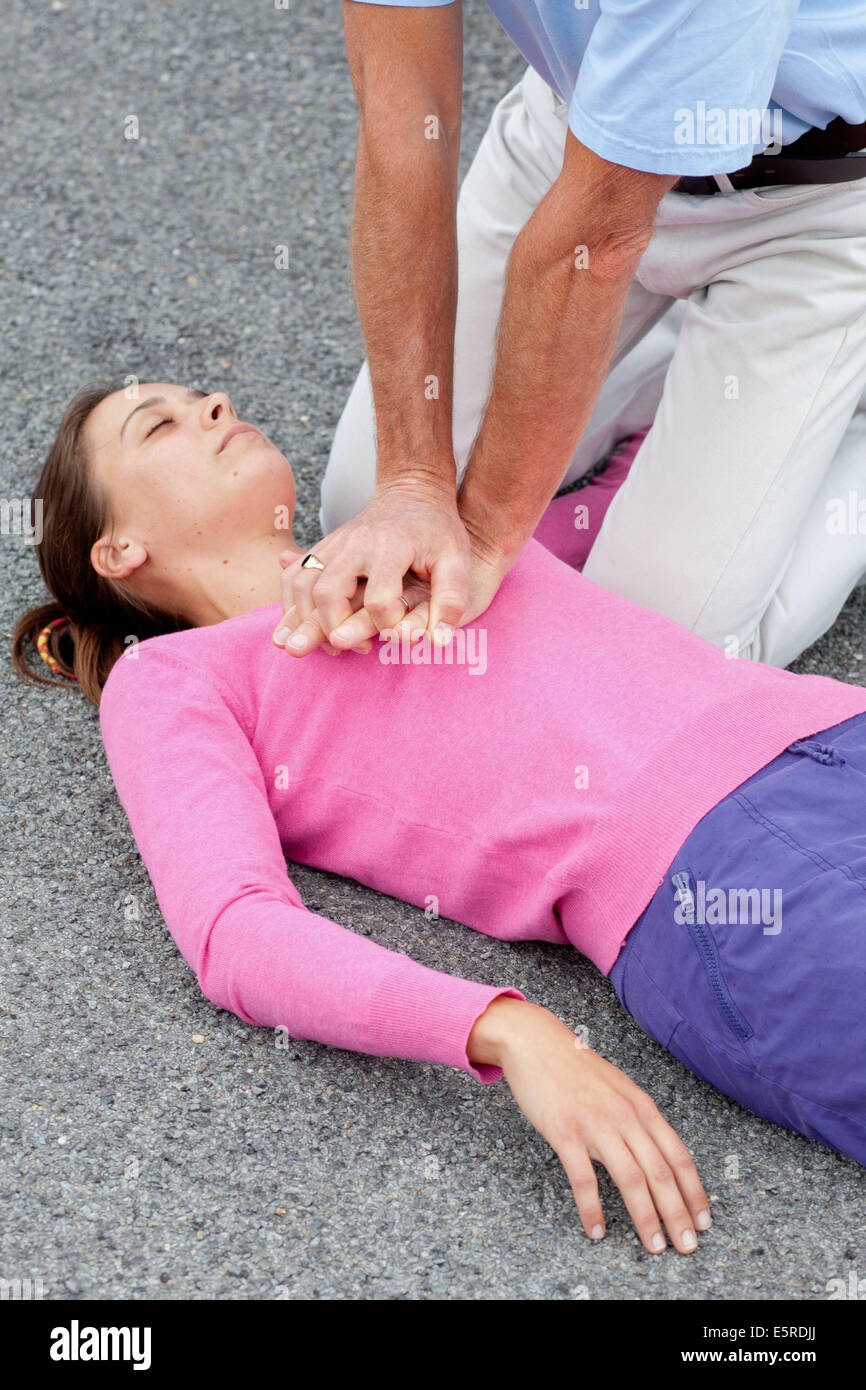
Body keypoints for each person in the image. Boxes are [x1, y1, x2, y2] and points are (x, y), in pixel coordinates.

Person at [13, 382, 866, 1259]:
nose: (218, 405)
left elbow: (660, 475)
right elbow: (236, 930)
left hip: (838, 728)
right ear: (119, 550)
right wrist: (508, 1030)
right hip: (721, 878)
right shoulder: (176, 678)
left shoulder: (422, 534)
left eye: (206, 396)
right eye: (161, 423)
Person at [278, 1, 866, 672]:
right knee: (362, 503)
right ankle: (689, 357)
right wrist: (413, 481)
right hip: (572, 135)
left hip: (815, 206)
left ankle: (841, 405)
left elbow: (596, 240)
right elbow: (400, 124)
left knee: (654, 651)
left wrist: (481, 538)